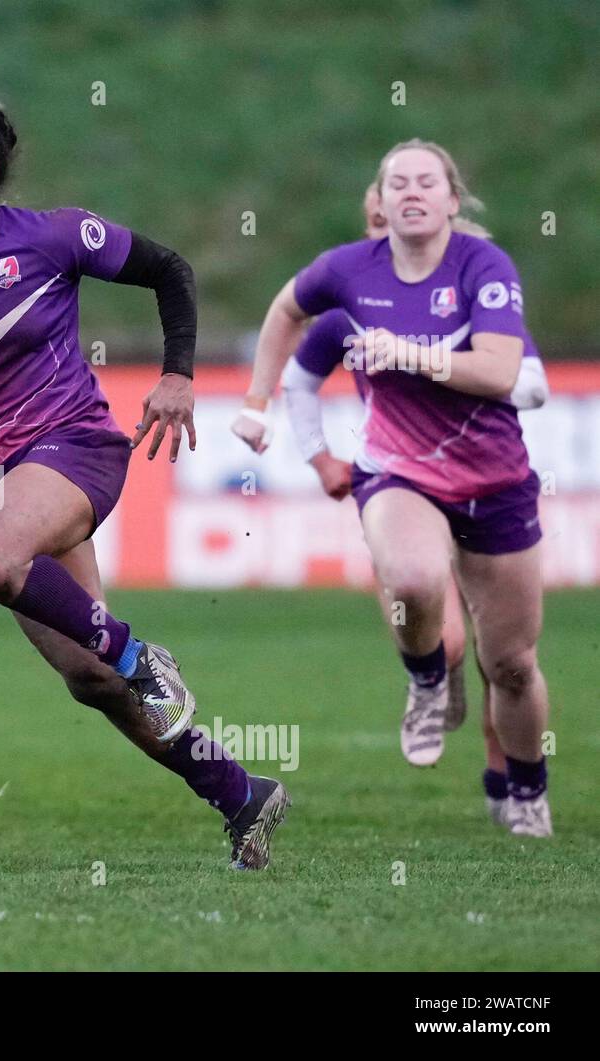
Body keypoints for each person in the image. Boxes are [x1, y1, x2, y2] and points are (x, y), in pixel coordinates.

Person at [0, 79, 291, 869]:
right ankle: (241, 794)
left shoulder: (55, 236)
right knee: (89, 678)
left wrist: (176, 374)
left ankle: (143, 656)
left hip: (76, 446)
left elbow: (169, 270)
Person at [232, 139, 552, 837]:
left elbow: (505, 374)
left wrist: (410, 353)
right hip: (398, 470)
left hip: (495, 480)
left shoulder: (484, 266)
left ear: (451, 199)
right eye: (396, 181)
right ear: (378, 198)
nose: (410, 191)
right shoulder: (348, 273)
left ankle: (524, 788)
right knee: (409, 578)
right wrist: (258, 404)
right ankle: (429, 678)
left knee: (514, 664)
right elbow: (288, 313)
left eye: (426, 181)